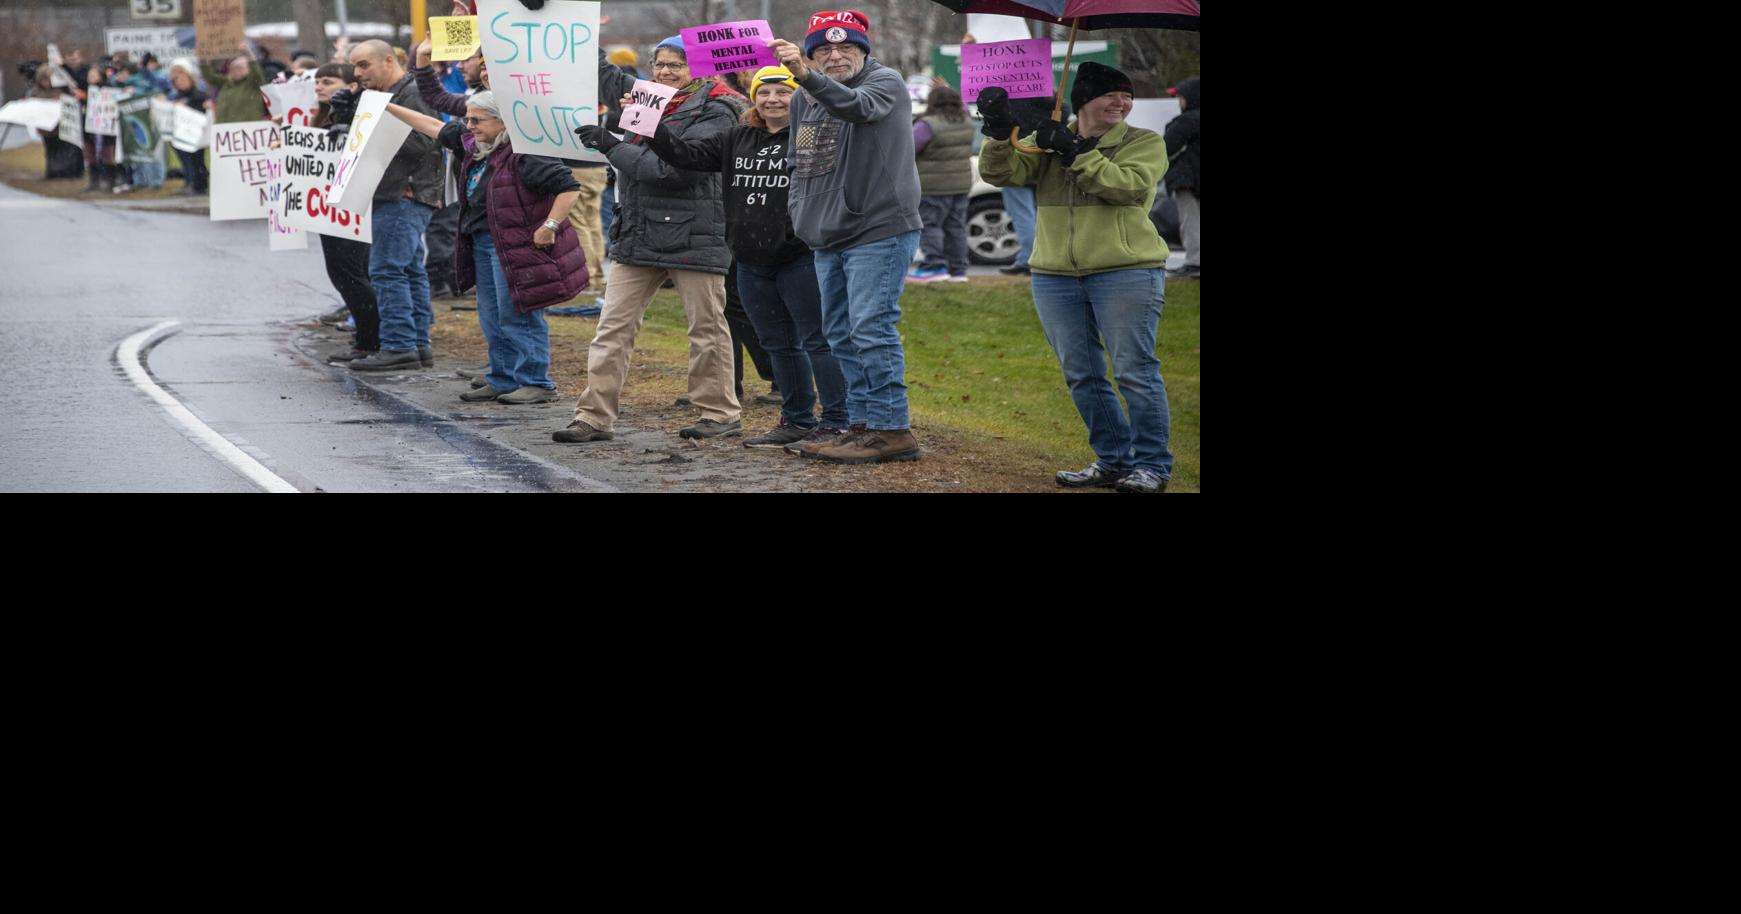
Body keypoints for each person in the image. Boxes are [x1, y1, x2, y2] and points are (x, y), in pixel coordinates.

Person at [976, 63, 1174, 493]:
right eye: (1111, 95)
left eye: (1126, 97)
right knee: (1082, 373)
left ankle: (1153, 466)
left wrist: (1076, 151)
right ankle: (1113, 460)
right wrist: (996, 131)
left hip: (1126, 271)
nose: (1121, 103)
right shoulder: (1046, 139)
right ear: (1083, 100)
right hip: (1054, 274)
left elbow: (1130, 187)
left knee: (1134, 372)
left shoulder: (1145, 142)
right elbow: (1002, 173)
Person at [636, 65, 852, 449]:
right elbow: (685, 156)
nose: (772, 100)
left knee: (817, 341)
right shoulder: (736, 137)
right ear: (753, 98)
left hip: (799, 255)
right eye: (764, 93)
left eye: (782, 92)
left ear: (800, 96)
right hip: (750, 260)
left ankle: (837, 421)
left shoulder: (813, 136)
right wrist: (649, 123)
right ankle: (797, 420)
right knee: (778, 344)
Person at [556, 35, 746, 444]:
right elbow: (603, 73)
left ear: (701, 69)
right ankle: (593, 417)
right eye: (659, 64)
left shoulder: (721, 108)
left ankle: (719, 413)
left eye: (676, 65)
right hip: (638, 232)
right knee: (611, 329)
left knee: (707, 330)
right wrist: (567, 23)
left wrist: (610, 145)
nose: (664, 72)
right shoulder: (646, 96)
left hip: (697, 234)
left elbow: (674, 173)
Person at [769, 10, 925, 464]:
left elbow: (858, 108)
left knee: (870, 329)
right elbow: (799, 160)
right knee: (839, 333)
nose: (835, 56)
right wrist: (801, 210)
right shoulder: (804, 98)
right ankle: (859, 426)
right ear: (813, 53)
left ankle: (892, 429)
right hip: (825, 232)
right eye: (824, 50)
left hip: (878, 227)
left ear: (863, 51)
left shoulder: (885, 82)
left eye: (846, 48)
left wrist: (807, 76)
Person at [385, 92, 585, 405]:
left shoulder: (525, 151)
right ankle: (503, 378)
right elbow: (431, 125)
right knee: (492, 315)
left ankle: (536, 382)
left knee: (519, 312)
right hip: (483, 240)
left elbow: (569, 187)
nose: (470, 126)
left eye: (477, 120)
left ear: (503, 120)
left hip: (517, 245)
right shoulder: (474, 145)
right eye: (468, 119)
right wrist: (382, 105)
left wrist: (550, 227)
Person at [343, 39, 446, 372]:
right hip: (397, 192)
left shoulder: (411, 93)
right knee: (409, 269)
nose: (357, 73)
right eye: (355, 66)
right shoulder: (386, 95)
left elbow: (424, 140)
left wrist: (370, 125)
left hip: (406, 193)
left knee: (387, 270)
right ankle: (417, 345)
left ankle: (399, 344)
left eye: (363, 65)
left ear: (388, 61)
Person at [311, 63, 381, 362]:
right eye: (316, 82)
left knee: (353, 274)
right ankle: (363, 338)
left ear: (350, 85)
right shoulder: (324, 115)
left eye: (327, 81)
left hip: (354, 206)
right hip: (329, 207)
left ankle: (370, 341)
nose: (319, 87)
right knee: (340, 272)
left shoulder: (361, 111)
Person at [908, 83, 974, 283]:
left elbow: (908, 149)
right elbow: (963, 108)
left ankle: (934, 265)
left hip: (932, 185)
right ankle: (958, 270)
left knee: (931, 225)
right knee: (956, 227)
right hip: (961, 184)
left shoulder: (927, 124)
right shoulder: (967, 121)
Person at [1164, 76, 1199, 280]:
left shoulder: (1187, 121)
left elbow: (1166, 147)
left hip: (1188, 179)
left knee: (1191, 221)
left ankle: (1195, 261)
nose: (1179, 101)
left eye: (1181, 97)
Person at [29, 64, 84, 179]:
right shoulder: (35, 91)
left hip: (61, 126)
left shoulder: (60, 89)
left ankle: (65, 173)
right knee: (50, 151)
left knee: (63, 150)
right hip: (45, 127)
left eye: (49, 79)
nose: (47, 82)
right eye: (44, 79)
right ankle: (51, 173)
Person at [165, 59, 208, 195]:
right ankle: (190, 182)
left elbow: (199, 107)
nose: (181, 83)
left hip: (195, 133)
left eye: (184, 80)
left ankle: (199, 185)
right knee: (185, 160)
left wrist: (186, 105)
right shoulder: (177, 96)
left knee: (197, 160)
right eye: (178, 81)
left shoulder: (198, 94)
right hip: (181, 133)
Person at [201, 43, 265, 124]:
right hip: (226, 131)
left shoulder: (254, 84)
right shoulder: (227, 83)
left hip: (247, 130)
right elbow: (210, 77)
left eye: (240, 68)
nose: (236, 71)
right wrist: (203, 61)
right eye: (233, 69)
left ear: (249, 69)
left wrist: (248, 53)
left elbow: (257, 72)